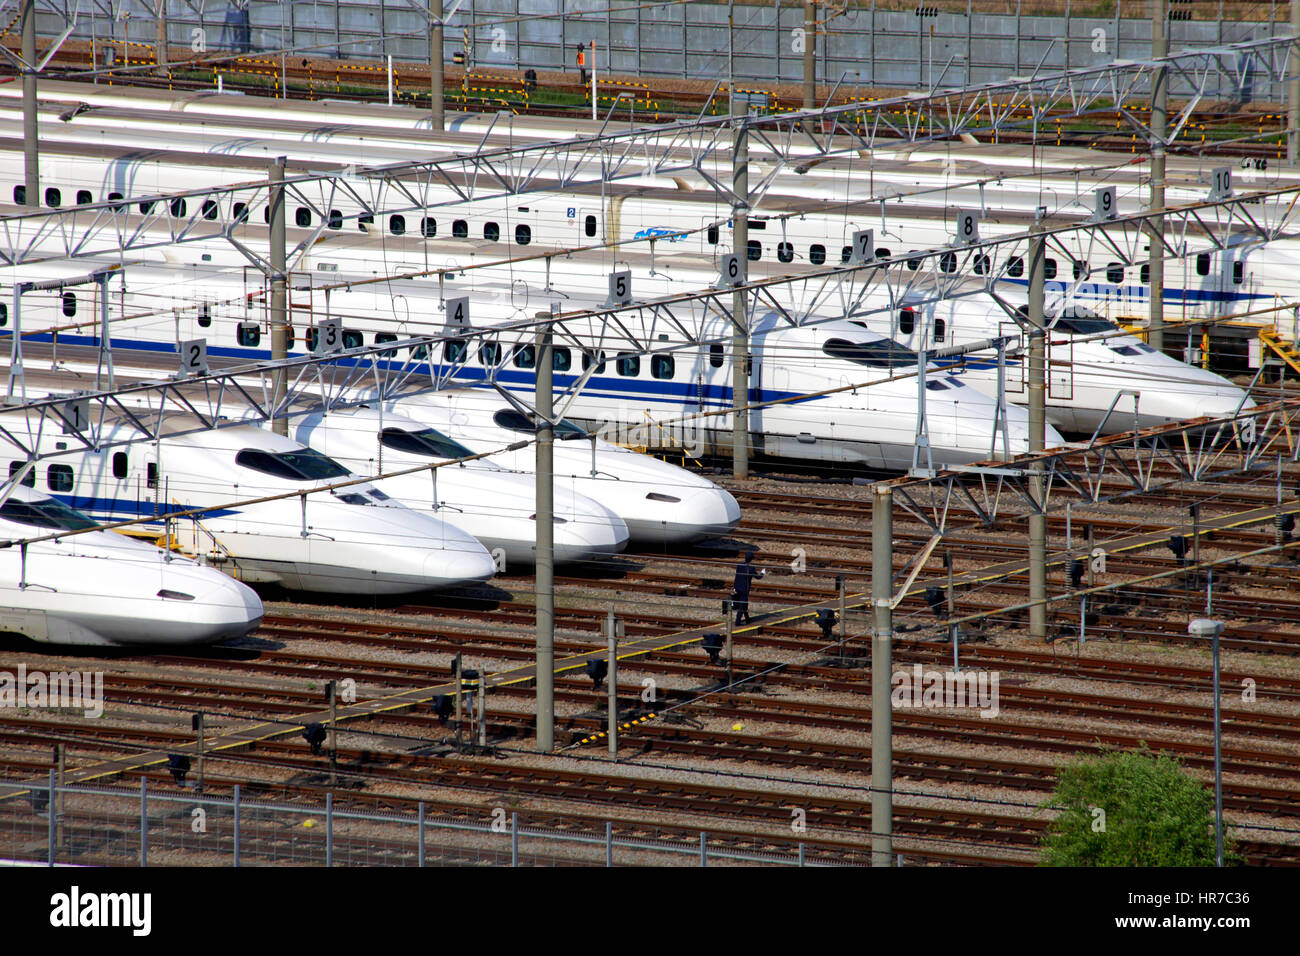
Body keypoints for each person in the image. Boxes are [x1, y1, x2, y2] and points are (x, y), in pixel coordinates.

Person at [731, 550, 765, 625]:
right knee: (742, 604)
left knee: (744, 604)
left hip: (737, 587)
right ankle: (737, 621)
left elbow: (737, 576)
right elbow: (758, 577)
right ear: (751, 559)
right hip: (744, 589)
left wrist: (734, 587)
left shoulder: (739, 565)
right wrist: (762, 573)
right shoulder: (751, 568)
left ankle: (747, 619)